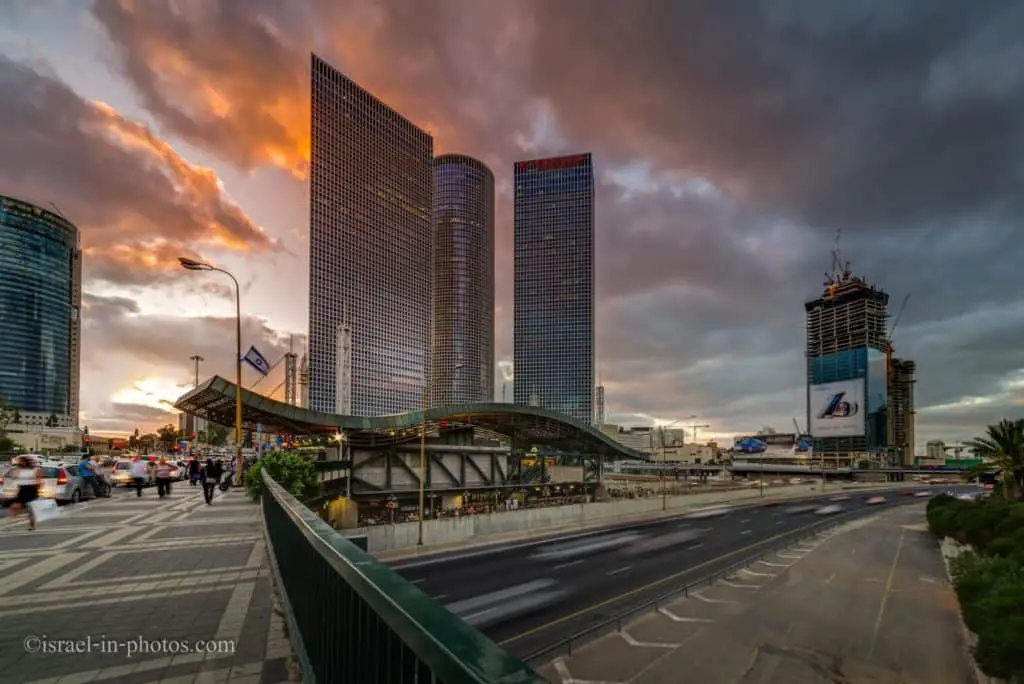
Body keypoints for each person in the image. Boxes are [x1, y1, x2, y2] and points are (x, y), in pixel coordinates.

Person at [8, 456, 43, 530]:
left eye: (22, 461)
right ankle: (10, 524)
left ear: (27, 462)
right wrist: (16, 469)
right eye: (19, 461)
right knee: (14, 506)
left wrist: (37, 491)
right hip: (22, 489)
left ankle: (32, 526)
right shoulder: (19, 470)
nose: (20, 462)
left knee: (30, 509)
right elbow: (14, 477)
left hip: (31, 489)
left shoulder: (36, 470)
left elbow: (39, 481)